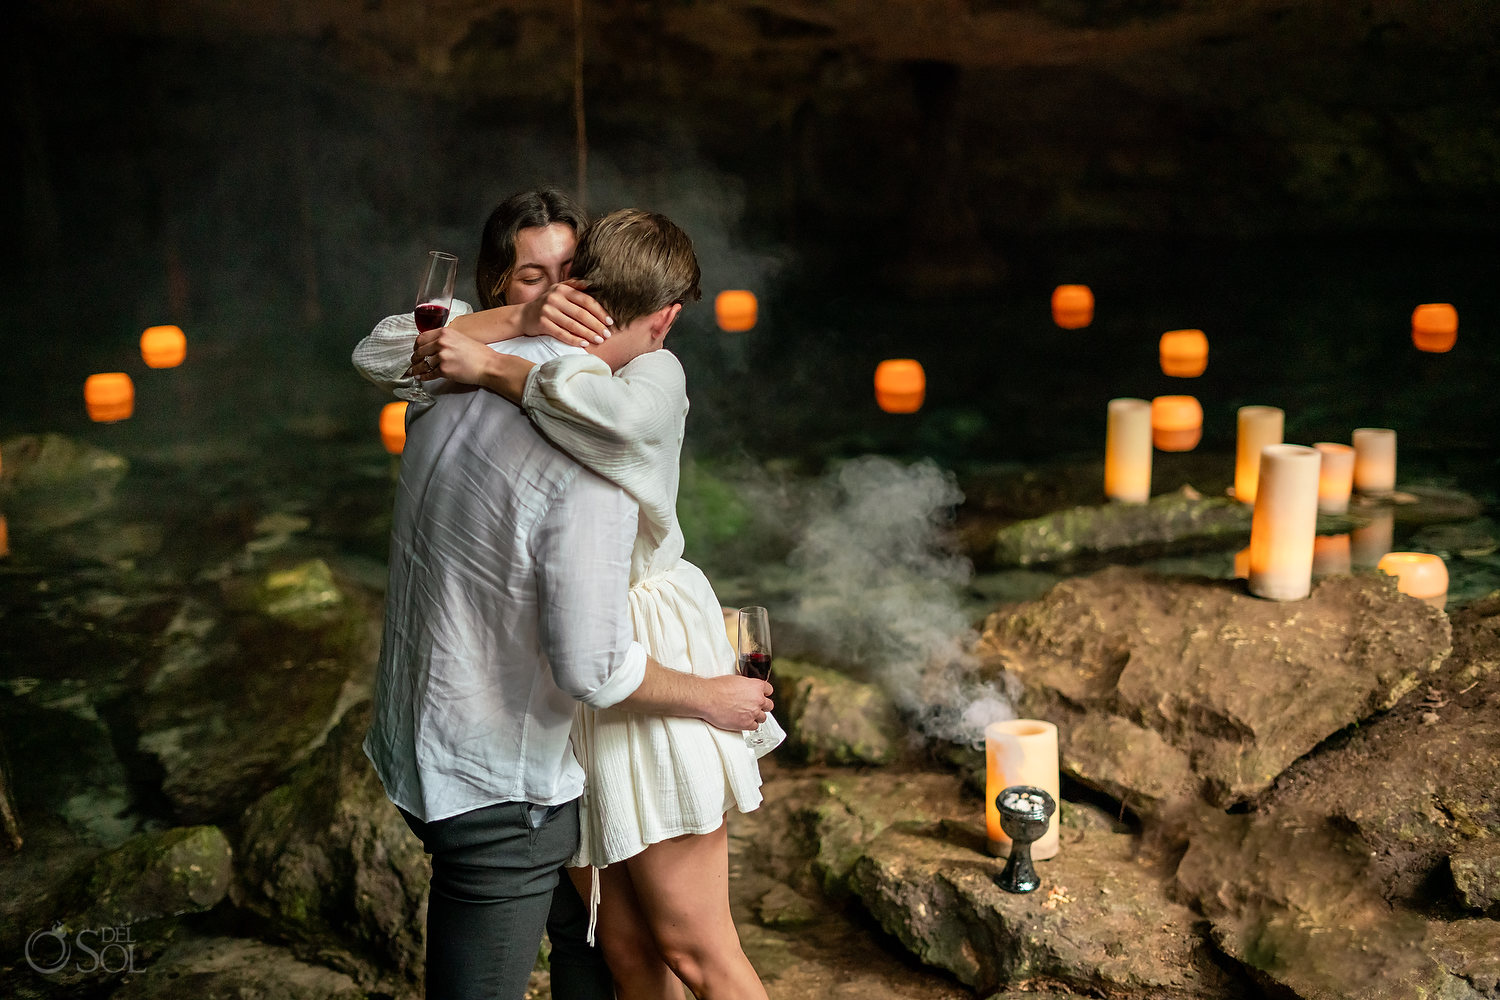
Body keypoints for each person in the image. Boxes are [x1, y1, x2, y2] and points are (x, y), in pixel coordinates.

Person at [361, 201, 775, 1000]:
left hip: (631, 658)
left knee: (688, 946)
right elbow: (383, 352)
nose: (552, 293)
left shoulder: (610, 399)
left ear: (586, 282)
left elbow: (611, 419)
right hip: (583, 683)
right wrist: (508, 332)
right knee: (618, 943)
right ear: (669, 315)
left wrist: (495, 361)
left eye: (565, 276)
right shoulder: (483, 372)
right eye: (532, 279)